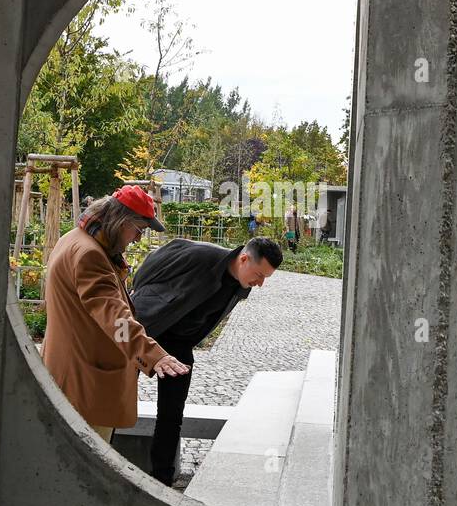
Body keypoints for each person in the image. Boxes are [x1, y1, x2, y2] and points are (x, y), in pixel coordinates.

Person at [131, 235, 283, 484]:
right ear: (244, 259)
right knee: (120, 400)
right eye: (259, 275)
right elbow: (155, 261)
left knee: (172, 415)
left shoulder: (240, 285)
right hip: (149, 330)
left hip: (179, 345)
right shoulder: (202, 255)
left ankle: (161, 480)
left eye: (265, 278)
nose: (260, 283)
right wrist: (139, 300)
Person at [43, 185, 189, 442]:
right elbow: (114, 317)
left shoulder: (74, 239)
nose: (138, 239)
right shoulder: (90, 255)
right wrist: (153, 355)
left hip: (71, 375)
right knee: (88, 469)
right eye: (138, 230)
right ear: (121, 221)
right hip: (85, 386)